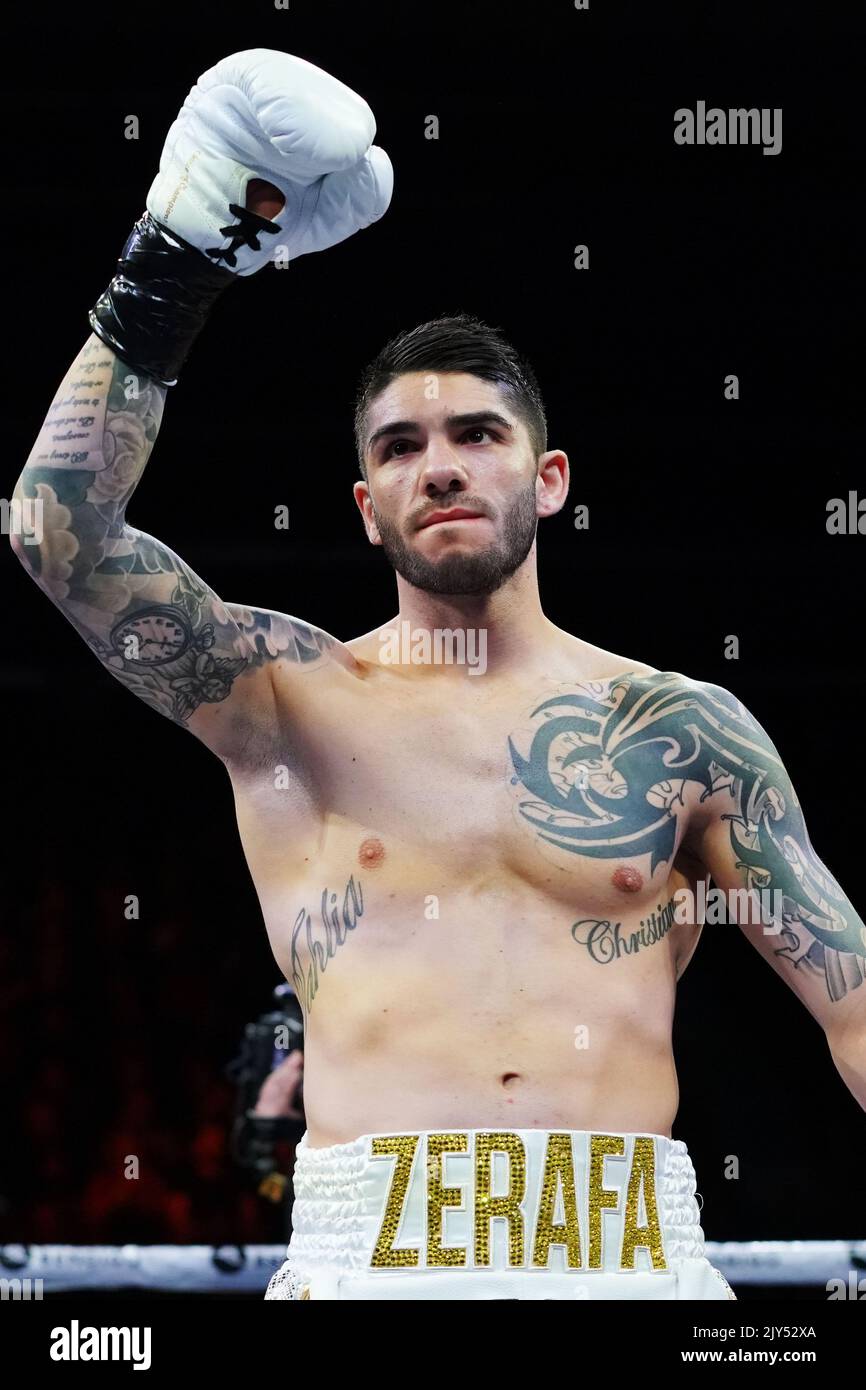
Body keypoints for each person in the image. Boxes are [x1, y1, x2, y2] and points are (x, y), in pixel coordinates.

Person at [10, 49, 865, 1301]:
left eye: (477, 434)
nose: (441, 466)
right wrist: (178, 253)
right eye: (400, 447)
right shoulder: (290, 702)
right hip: (371, 1254)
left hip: (628, 1253)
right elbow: (56, 533)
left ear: (549, 477)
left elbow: (850, 1000)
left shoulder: (680, 731)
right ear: (366, 505)